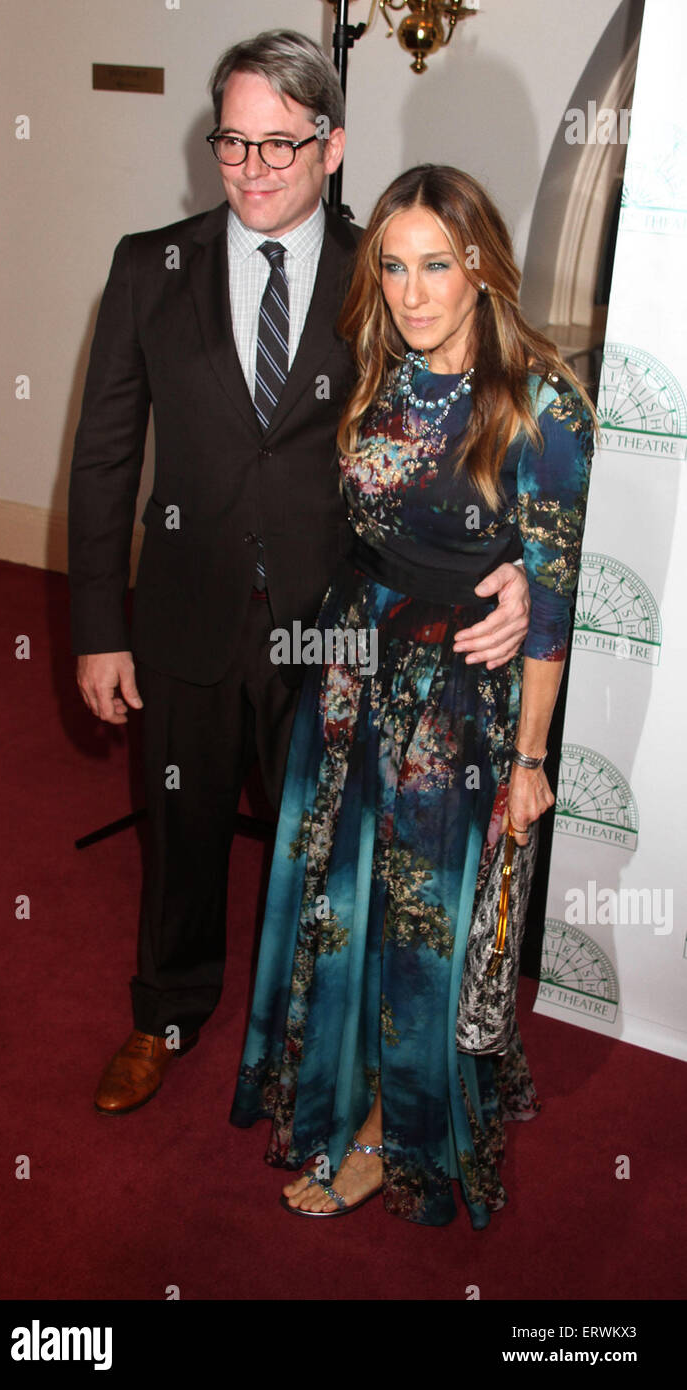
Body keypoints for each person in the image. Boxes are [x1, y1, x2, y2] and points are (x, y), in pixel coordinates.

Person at [68, 33, 530, 1116]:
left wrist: (515, 566)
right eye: (234, 140)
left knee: (322, 843)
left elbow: (481, 410)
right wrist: (98, 622)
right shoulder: (151, 266)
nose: (254, 165)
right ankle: (166, 1009)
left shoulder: (390, 269)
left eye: (282, 142)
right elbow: (104, 458)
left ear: (332, 148)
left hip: (333, 617)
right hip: (185, 608)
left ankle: (311, 1042)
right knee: (179, 826)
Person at [230, 164, 596, 1228]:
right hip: (352, 667)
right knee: (338, 898)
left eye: (437, 265)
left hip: (455, 705)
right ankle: (334, 1095)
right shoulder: (379, 366)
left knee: (421, 927)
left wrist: (530, 763)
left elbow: (559, 600)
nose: (412, 290)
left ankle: (399, 1135)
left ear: (480, 265)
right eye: (393, 267)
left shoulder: (541, 401)